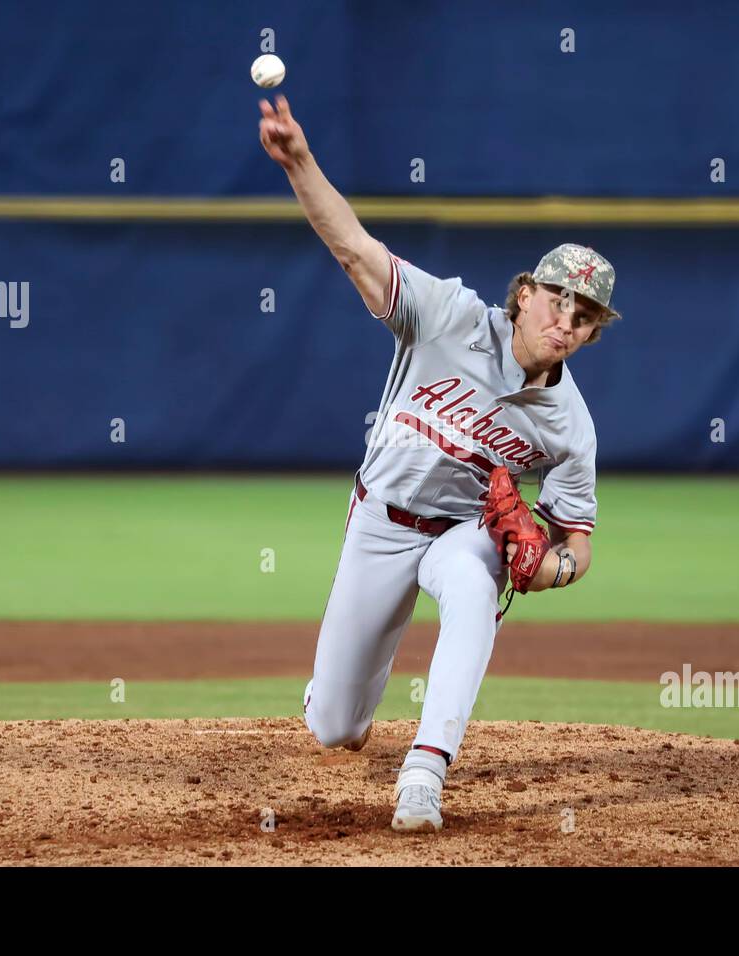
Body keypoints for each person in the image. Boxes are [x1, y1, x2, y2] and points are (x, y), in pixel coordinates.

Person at [257, 94, 620, 831]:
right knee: (333, 725)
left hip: (464, 530)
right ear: (524, 296)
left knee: (472, 578)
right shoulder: (446, 315)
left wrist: (546, 566)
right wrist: (299, 163)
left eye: (584, 317)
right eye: (558, 299)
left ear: (591, 335)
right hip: (380, 523)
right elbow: (355, 248)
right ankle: (349, 697)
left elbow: (577, 547)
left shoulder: (570, 427)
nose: (567, 320)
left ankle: (425, 770)